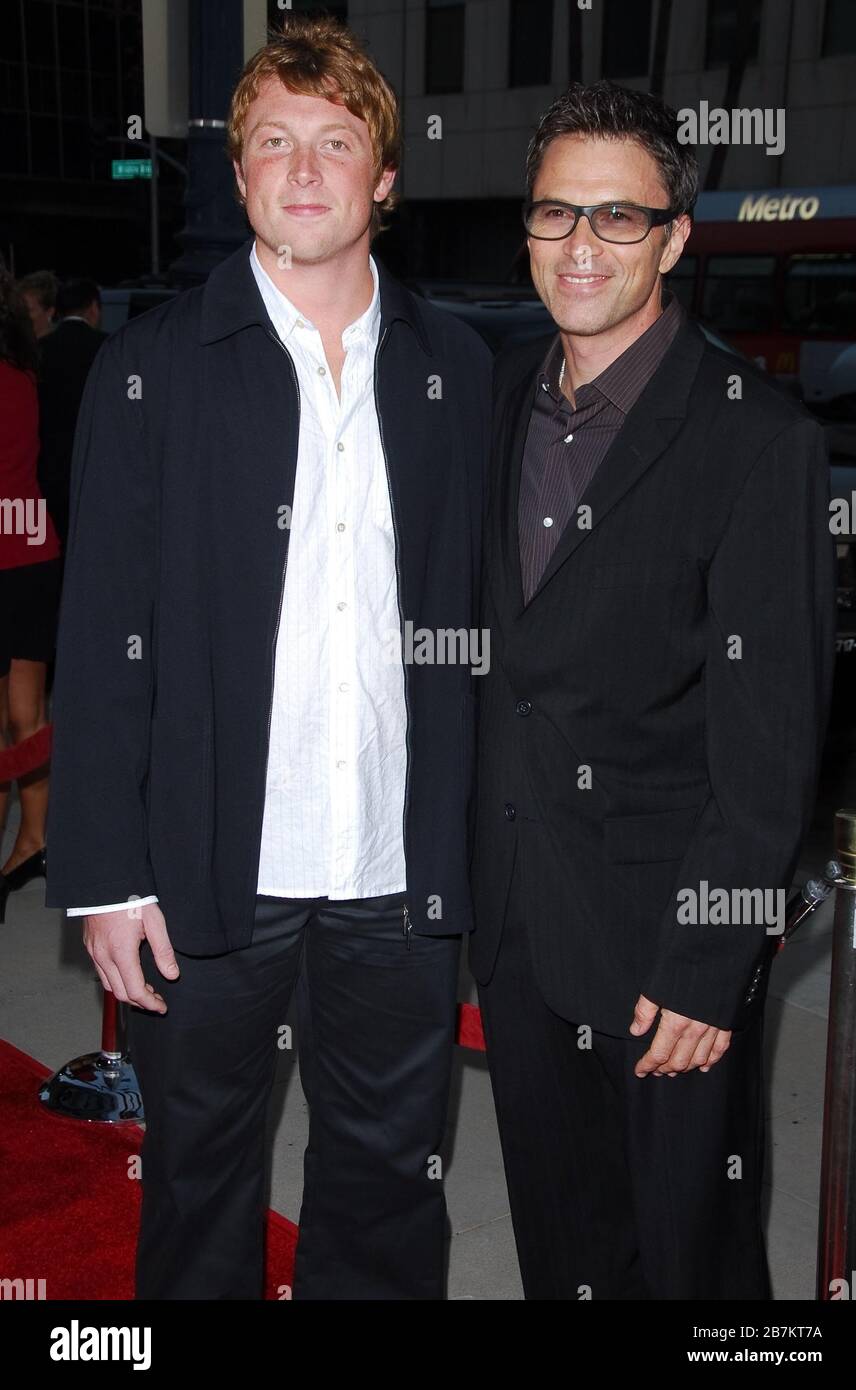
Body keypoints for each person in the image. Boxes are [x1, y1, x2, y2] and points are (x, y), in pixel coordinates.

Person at [44, 13, 490, 1300]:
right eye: (274, 142)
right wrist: (104, 874)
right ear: (238, 174)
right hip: (204, 871)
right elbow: (102, 632)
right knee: (197, 1187)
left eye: (335, 142)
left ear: (383, 179)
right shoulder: (151, 370)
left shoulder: (456, 372)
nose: (303, 169)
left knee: (388, 1189)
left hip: (394, 871)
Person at [469, 79, 835, 1300]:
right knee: (562, 1251)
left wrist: (708, 959)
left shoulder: (756, 439)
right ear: (526, 229)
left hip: (660, 948)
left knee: (692, 1262)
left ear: (672, 239)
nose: (580, 245)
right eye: (554, 213)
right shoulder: (492, 396)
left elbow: (771, 745)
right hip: (515, 922)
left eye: (617, 216)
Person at [0, 270, 62, 922]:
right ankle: (33, 841)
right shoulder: (24, 374)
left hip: (7, 552)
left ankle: (26, 844)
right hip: (32, 548)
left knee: (9, 721)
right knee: (27, 715)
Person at [37, 277, 107, 554]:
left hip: (48, 468)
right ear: (94, 308)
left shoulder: (40, 350)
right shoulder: (106, 348)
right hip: (93, 467)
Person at [16, 270, 59, 341]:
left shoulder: (62, 344)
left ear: (49, 312)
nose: (21, 315)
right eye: (19, 309)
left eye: (28, 310)